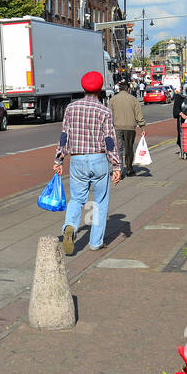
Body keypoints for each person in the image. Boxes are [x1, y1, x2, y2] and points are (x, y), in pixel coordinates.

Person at [53, 71, 122, 256]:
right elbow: (109, 140)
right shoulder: (104, 111)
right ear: (100, 89)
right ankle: (95, 242)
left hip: (77, 159)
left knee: (77, 198)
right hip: (98, 159)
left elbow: (64, 136)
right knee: (99, 201)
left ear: (83, 88)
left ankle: (70, 227)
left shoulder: (70, 108)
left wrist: (59, 159)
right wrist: (116, 165)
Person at [108, 81, 146, 176]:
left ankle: (118, 170)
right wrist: (142, 127)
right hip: (130, 128)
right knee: (129, 148)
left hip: (117, 127)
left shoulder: (113, 99)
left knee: (118, 149)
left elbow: (109, 114)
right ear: (128, 89)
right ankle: (129, 168)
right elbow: (138, 114)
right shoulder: (133, 99)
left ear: (119, 89)